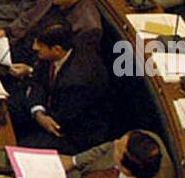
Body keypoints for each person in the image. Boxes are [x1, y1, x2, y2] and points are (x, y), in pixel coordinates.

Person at [8, 22, 110, 154]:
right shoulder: (53, 54)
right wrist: (37, 111)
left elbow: (57, 124)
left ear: (56, 49)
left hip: (72, 133)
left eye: (39, 46)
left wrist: (38, 113)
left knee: (19, 149)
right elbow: (37, 81)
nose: (34, 47)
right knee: (5, 107)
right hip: (47, 108)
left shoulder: (78, 81)